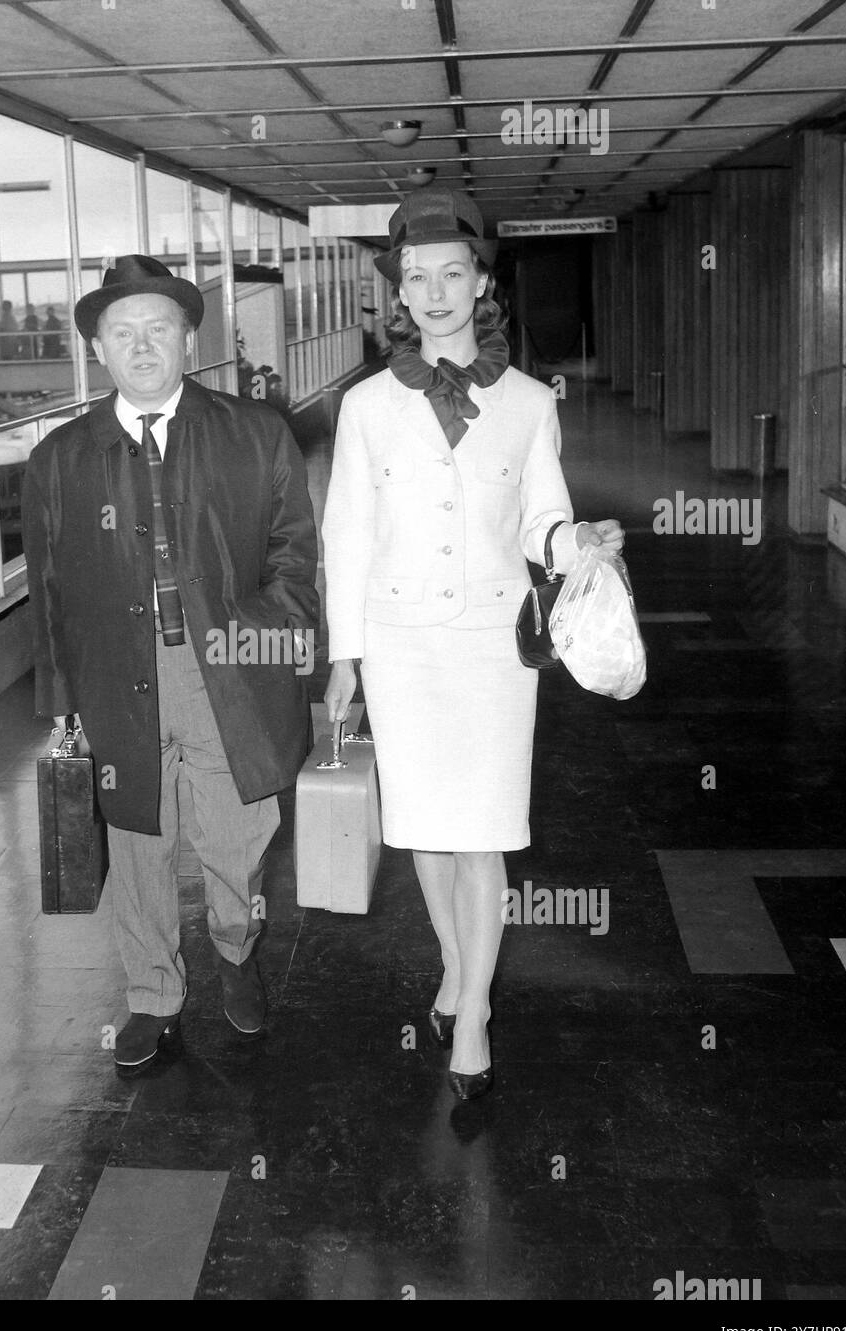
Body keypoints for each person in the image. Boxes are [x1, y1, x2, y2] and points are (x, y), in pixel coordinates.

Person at [321, 190, 623, 1103]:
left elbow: (544, 518)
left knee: (484, 832)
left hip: (493, 647)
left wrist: (579, 546)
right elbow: (346, 533)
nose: (437, 291)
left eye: (454, 273)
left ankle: (477, 1015)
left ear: (482, 281)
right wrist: (345, 655)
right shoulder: (366, 407)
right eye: (418, 277)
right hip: (403, 643)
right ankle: (456, 968)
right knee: (427, 833)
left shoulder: (530, 402)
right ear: (400, 295)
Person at [22, 255, 319, 1077]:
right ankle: (153, 996)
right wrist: (61, 701)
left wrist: (267, 637)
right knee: (138, 839)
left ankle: (236, 951)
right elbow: (46, 590)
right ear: (97, 349)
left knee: (240, 833)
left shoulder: (254, 433)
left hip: (228, 666)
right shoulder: (59, 459)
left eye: (159, 328)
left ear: (190, 336)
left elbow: (296, 551)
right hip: (117, 674)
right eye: (123, 332)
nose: (142, 345)